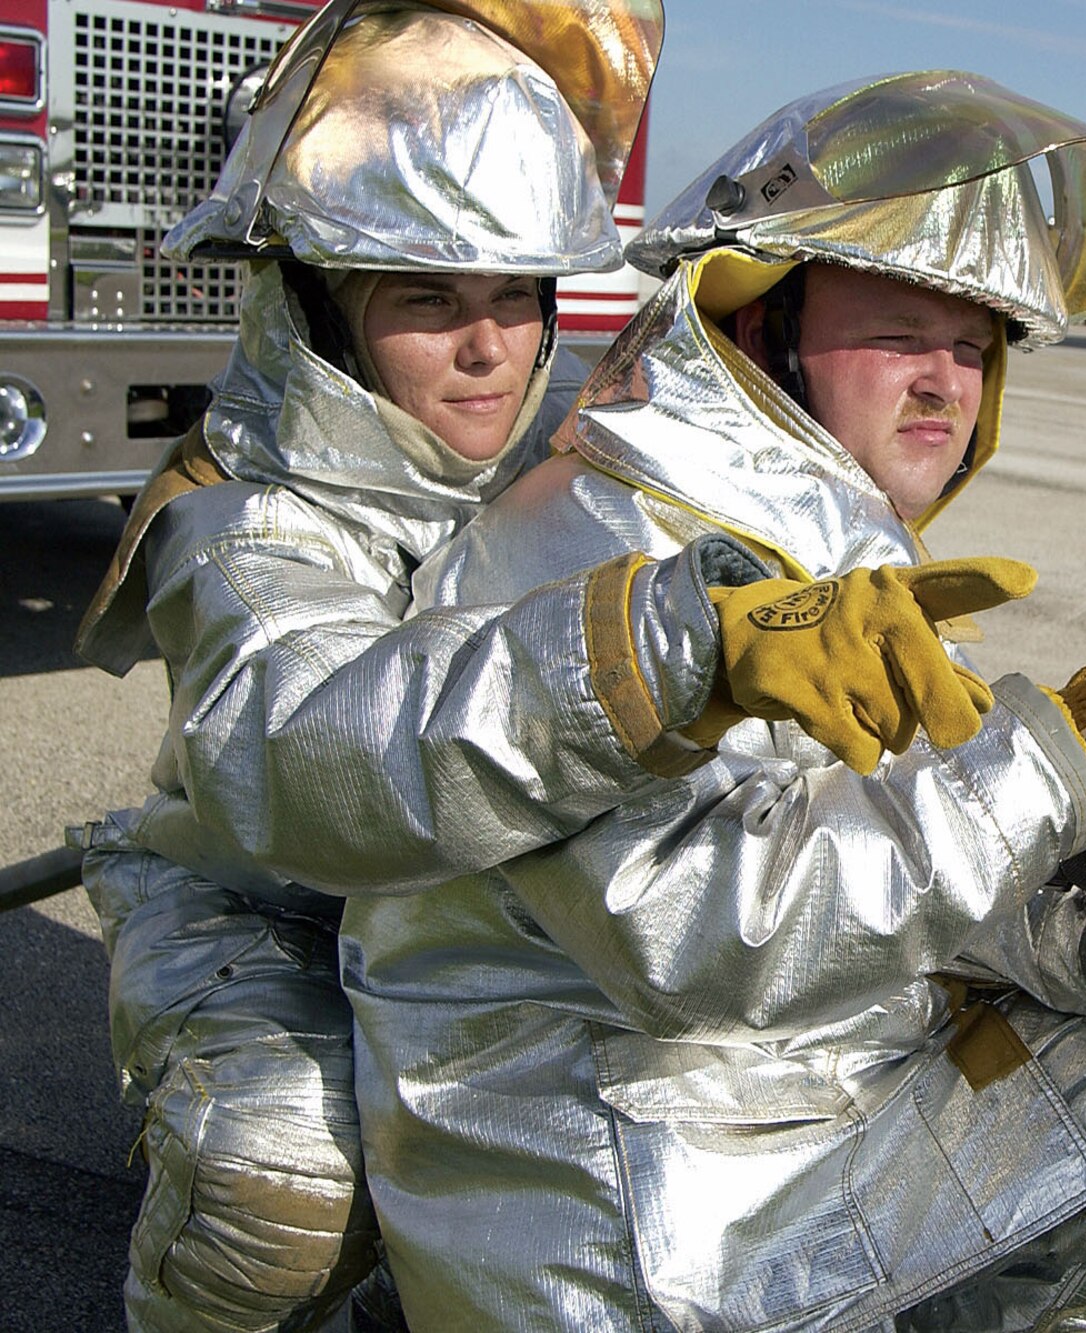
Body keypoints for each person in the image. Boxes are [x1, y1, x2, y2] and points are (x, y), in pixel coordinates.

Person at [342, 71, 1086, 1330]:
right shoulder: (598, 539)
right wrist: (1050, 761)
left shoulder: (826, 542)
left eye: (972, 350)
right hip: (604, 1186)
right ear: (759, 327)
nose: (945, 386)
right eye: (901, 336)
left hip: (773, 1105)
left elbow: (888, 853)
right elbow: (699, 934)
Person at [68, 5, 676, 1327]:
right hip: (262, 898)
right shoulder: (233, 525)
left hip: (464, 895)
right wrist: (629, 663)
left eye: (517, 296)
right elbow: (312, 759)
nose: (488, 348)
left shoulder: (568, 476)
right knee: (281, 1164)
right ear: (329, 316)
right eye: (426, 302)